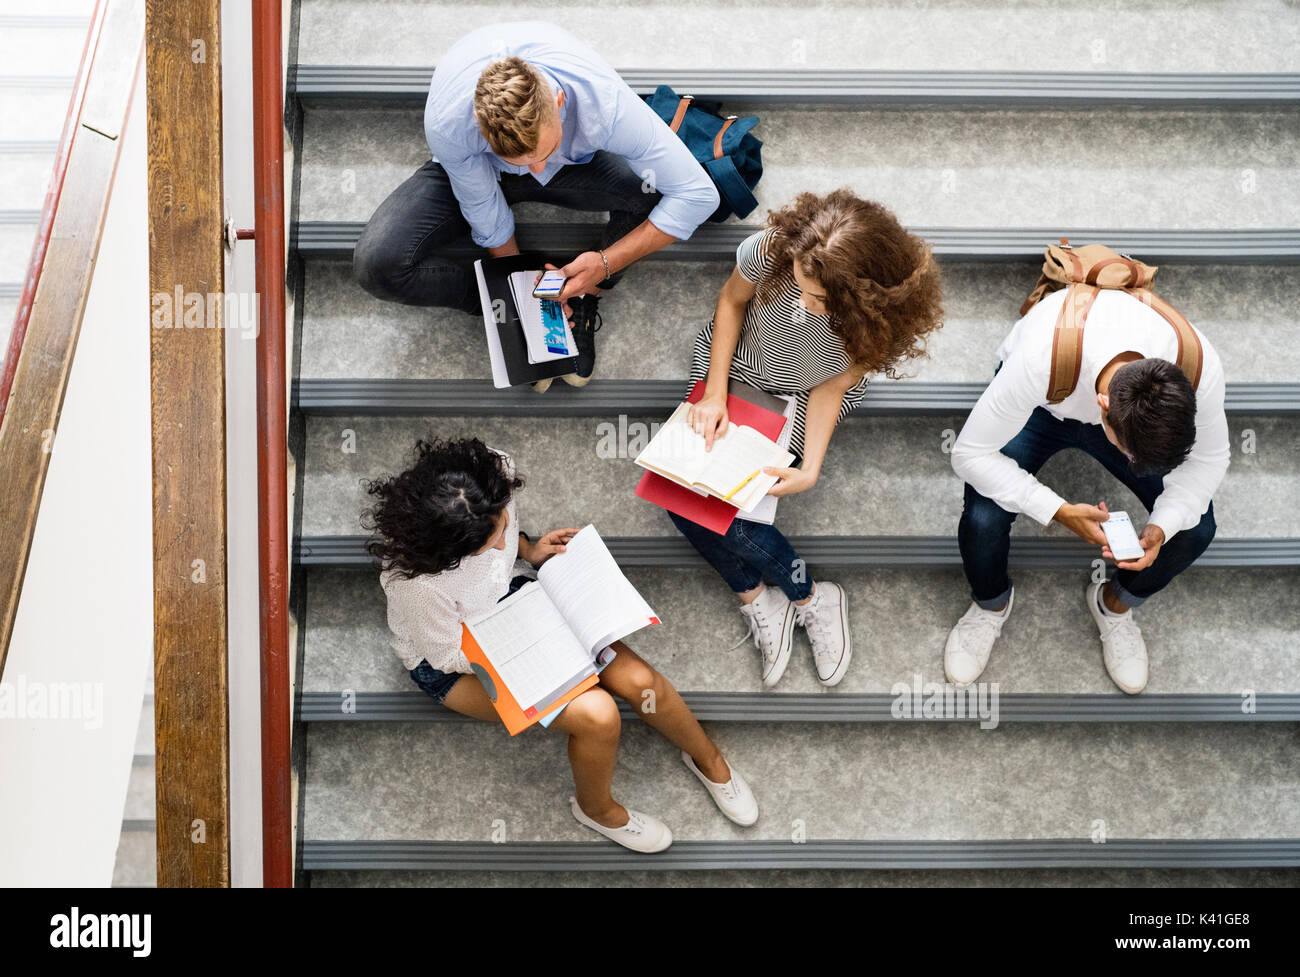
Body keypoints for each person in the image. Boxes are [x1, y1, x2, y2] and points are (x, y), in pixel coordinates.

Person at [363, 437, 757, 853]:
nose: (501, 543)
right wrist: (533, 645)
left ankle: (708, 760)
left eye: (501, 525)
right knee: (598, 714)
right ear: (447, 549)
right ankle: (597, 809)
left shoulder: (494, 473)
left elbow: (505, 540)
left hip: (520, 603)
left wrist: (529, 550)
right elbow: (446, 656)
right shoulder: (417, 586)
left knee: (640, 681)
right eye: (486, 542)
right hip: (461, 659)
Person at [671, 190, 945, 688]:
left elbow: (833, 385)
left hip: (808, 390)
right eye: (799, 285)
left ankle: (795, 596)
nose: (802, 304)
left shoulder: (879, 318)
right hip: (738, 369)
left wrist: (811, 465)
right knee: (679, 494)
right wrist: (714, 393)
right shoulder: (771, 251)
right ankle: (780, 597)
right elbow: (732, 302)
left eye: (818, 299)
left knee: (734, 505)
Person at [352, 21, 720, 389]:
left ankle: (585, 290)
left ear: (559, 104)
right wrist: (520, 296)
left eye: (542, 153)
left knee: (653, 189)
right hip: (479, 169)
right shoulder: (450, 122)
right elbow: (483, 206)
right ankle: (502, 305)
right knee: (377, 264)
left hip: (575, 166)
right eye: (522, 160)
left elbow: (698, 194)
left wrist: (606, 263)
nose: (536, 170)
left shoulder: (605, 103)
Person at [946, 287, 1228, 694]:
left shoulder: (1200, 368)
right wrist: (1055, 509)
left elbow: (1211, 460)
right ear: (1103, 407)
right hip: (1044, 403)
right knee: (983, 517)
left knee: (1196, 528)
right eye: (1130, 456)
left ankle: (1114, 605)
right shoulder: (1039, 360)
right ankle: (990, 604)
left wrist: (1162, 528)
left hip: (1100, 402)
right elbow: (969, 454)